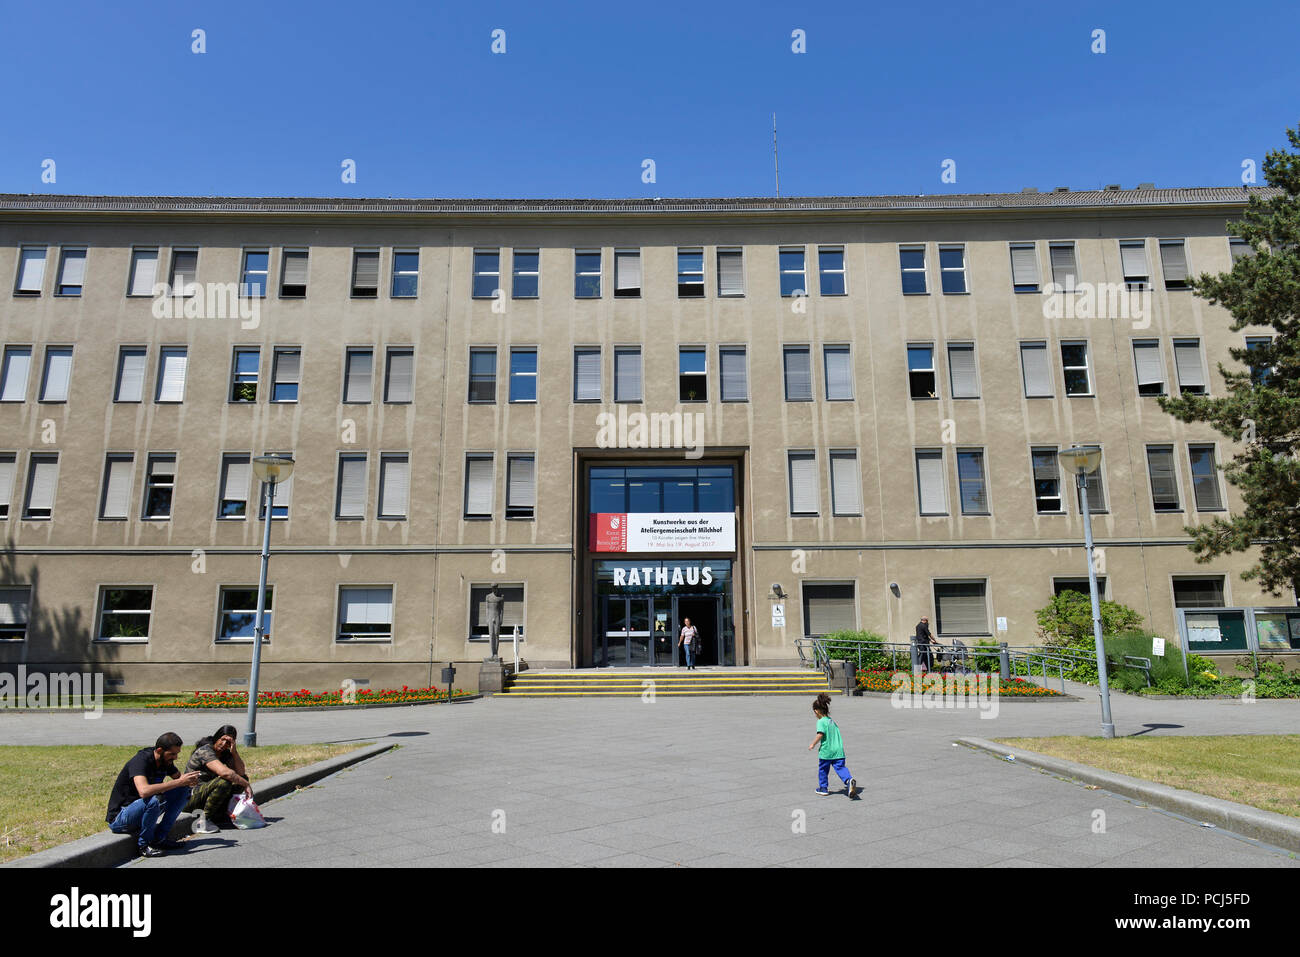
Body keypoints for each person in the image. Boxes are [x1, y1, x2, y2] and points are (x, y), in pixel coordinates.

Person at [106, 731, 200, 857]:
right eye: (172, 754)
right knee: (154, 799)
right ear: (160, 750)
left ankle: (160, 839)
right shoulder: (140, 761)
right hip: (121, 818)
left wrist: (189, 781)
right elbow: (144, 791)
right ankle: (144, 845)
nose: (175, 758)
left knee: (183, 791)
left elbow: (179, 780)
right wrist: (179, 782)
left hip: (145, 809)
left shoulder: (165, 761)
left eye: (177, 754)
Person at [184, 724, 253, 833]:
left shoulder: (224, 753)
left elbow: (241, 772)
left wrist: (234, 752)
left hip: (206, 793)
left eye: (228, 742)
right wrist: (246, 784)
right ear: (217, 737)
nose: (224, 744)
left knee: (241, 779)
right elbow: (225, 773)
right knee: (224, 782)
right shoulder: (205, 751)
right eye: (222, 740)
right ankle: (203, 821)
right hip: (189, 797)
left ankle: (219, 815)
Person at [808, 693, 860, 798]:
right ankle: (849, 781)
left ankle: (823, 788)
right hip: (838, 751)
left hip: (827, 752)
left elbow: (820, 734)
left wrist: (813, 744)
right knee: (840, 768)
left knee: (823, 770)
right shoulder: (831, 721)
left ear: (816, 711)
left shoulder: (821, 721)